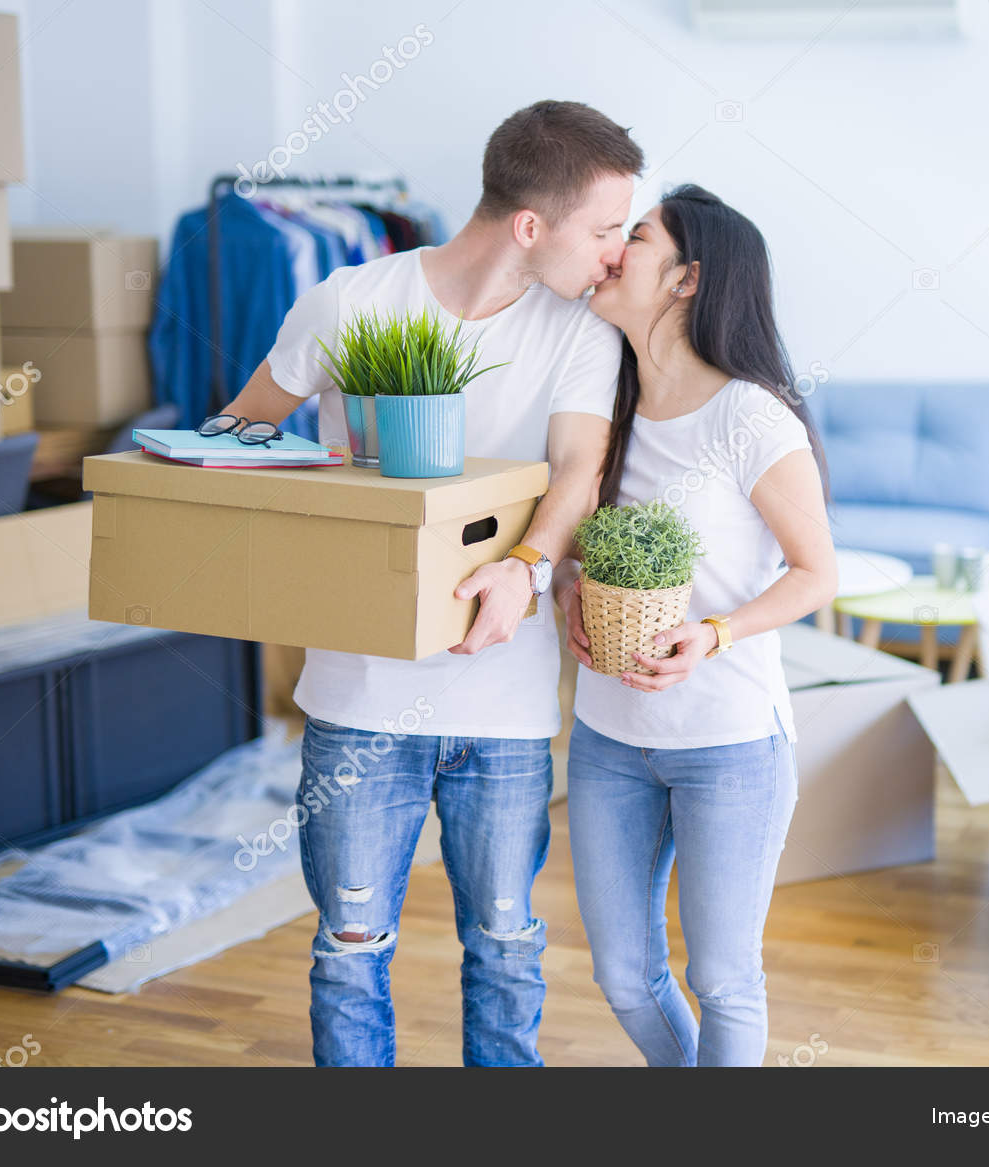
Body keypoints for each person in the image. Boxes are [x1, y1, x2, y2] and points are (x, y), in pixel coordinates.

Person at [216, 101, 642, 1067]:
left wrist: (524, 572)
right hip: (359, 697)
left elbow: (579, 471)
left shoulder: (580, 330)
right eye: (607, 228)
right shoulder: (346, 301)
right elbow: (238, 432)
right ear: (533, 226)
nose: (616, 254)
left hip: (505, 704)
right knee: (350, 948)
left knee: (502, 943)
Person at [557, 184, 837, 1066]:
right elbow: (576, 534)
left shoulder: (750, 416)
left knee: (722, 980)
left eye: (634, 237)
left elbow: (817, 574)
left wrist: (712, 634)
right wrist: (567, 586)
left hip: (728, 743)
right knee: (623, 973)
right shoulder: (604, 403)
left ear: (687, 279)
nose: (611, 251)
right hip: (607, 735)